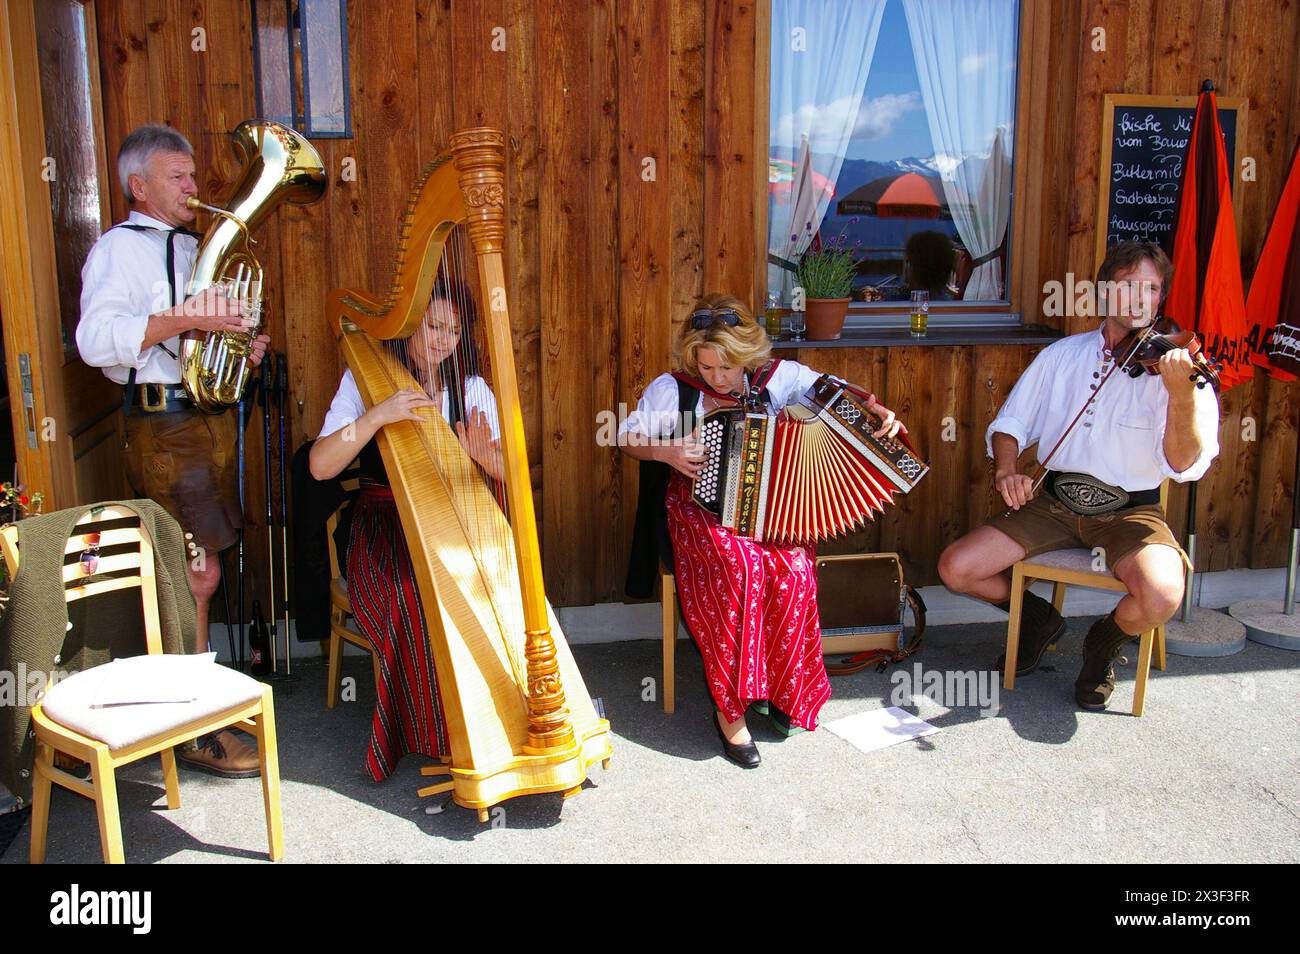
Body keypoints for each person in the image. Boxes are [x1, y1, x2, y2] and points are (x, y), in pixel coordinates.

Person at [619, 293, 905, 768]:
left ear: (748, 353)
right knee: (741, 566)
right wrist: (665, 452)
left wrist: (876, 412)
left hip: (768, 510)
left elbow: (842, 395)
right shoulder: (675, 389)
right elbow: (627, 438)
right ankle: (730, 713)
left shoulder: (780, 378)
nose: (717, 377)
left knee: (793, 568)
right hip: (699, 511)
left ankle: (776, 690)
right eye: (707, 367)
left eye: (726, 368)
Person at [938, 241, 1221, 710]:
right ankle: (1037, 619)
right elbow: (1010, 424)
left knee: (1162, 596)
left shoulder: (1178, 371)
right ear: (1104, 293)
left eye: (1151, 289)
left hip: (1130, 512)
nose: (1139, 299)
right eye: (1128, 286)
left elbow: (1183, 464)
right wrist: (1007, 469)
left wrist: (1181, 396)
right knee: (956, 568)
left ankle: (1104, 643)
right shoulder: (1063, 355)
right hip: (1053, 503)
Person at [77, 123, 268, 777]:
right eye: (178, 178)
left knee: (201, 572)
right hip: (163, 429)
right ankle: (194, 730)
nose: (196, 187)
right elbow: (97, 341)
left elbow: (201, 343)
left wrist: (241, 348)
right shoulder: (116, 251)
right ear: (140, 186)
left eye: (193, 175)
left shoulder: (197, 247)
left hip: (208, 419)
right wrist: (195, 318)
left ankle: (199, 705)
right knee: (195, 576)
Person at [309, 282, 501, 779]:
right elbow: (320, 466)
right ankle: (440, 733)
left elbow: (507, 473)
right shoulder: (365, 381)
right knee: (415, 592)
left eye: (455, 331)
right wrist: (377, 415)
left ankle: (495, 712)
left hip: (457, 518)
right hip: (381, 522)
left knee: (501, 582)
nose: (445, 340)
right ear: (408, 328)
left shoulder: (471, 389)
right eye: (435, 327)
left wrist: (482, 456)